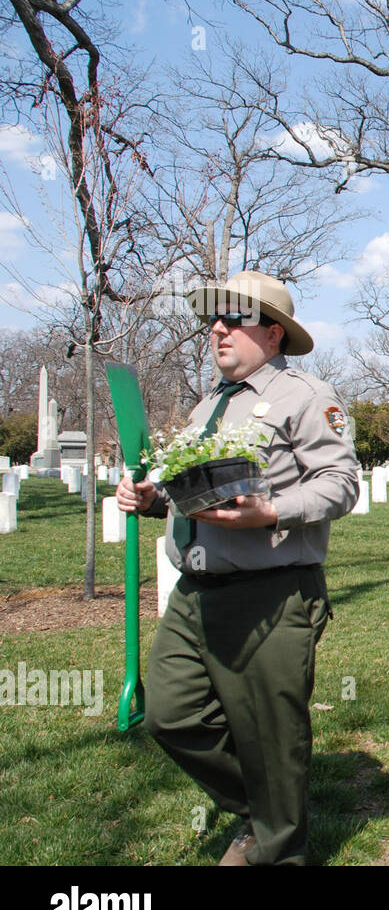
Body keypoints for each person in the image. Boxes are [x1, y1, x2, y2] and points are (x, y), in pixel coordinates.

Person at [115, 271, 359, 866]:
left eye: (235, 319)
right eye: (214, 320)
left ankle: (276, 850)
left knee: (271, 737)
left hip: (271, 593)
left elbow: (342, 483)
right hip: (195, 592)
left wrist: (272, 511)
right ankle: (262, 808)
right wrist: (154, 499)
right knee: (172, 717)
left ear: (273, 334)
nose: (218, 329)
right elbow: (194, 491)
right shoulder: (207, 406)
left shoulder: (306, 396)